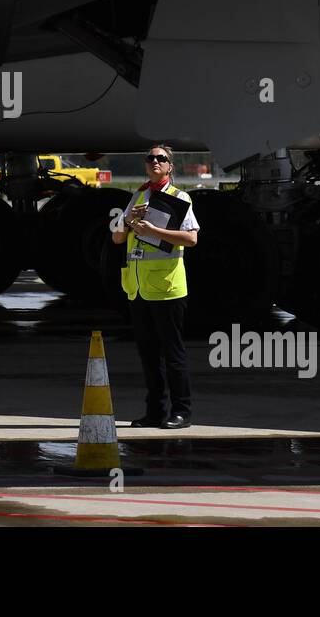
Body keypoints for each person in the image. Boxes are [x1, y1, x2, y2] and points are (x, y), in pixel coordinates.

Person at [110, 145, 200, 430]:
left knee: (173, 353)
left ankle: (181, 411)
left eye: (161, 159)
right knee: (148, 355)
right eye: (150, 158)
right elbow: (116, 239)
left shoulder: (178, 198)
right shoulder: (137, 196)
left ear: (170, 166)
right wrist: (129, 220)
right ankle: (154, 411)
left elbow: (191, 239)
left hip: (167, 287)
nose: (155, 162)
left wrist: (154, 231)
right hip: (138, 288)